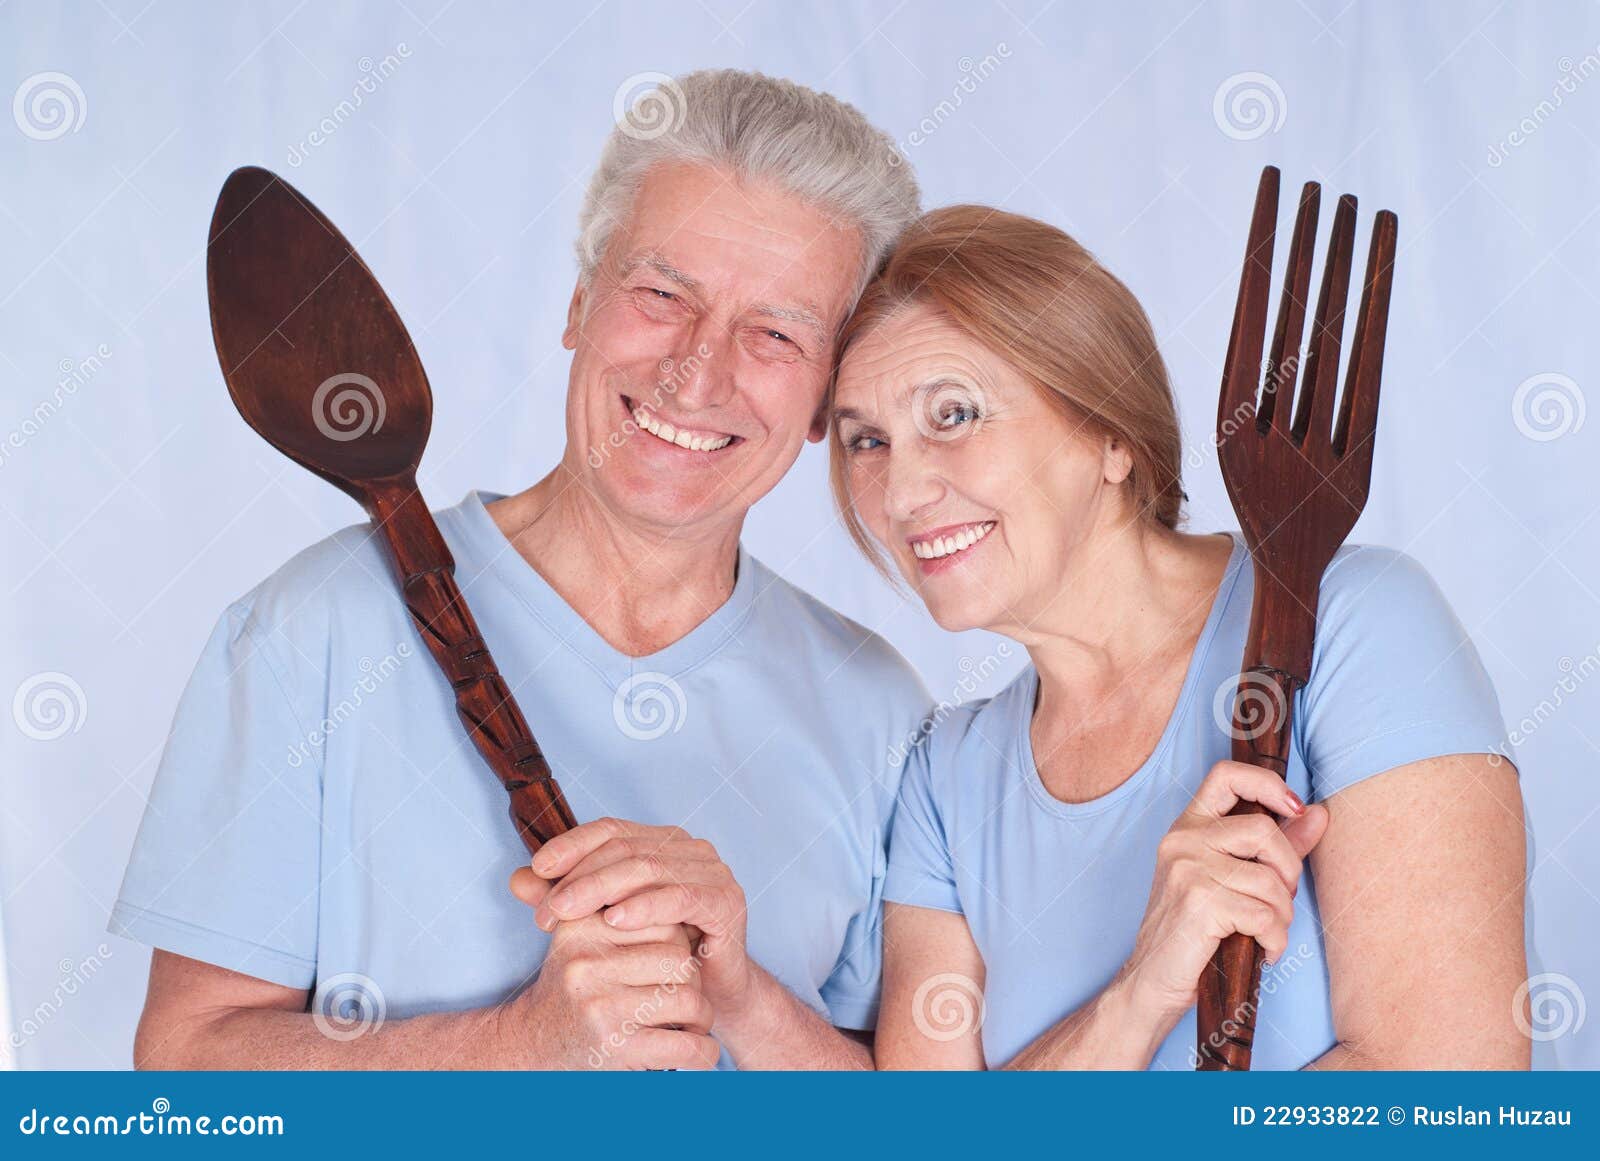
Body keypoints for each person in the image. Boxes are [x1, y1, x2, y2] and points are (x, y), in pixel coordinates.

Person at [113, 69, 929, 1070]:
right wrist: (516, 1045)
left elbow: (907, 1121)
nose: (696, 372)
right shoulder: (311, 631)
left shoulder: (882, 713)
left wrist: (746, 1002)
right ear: (581, 302)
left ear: (828, 397)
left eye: (775, 334)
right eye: (662, 294)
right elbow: (187, 1069)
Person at [826, 204, 1531, 1069]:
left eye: (954, 414)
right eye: (867, 440)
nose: (900, 492)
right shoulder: (946, 776)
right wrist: (1141, 991)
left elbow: (1446, 1100)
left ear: (1111, 436)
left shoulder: (1355, 624)